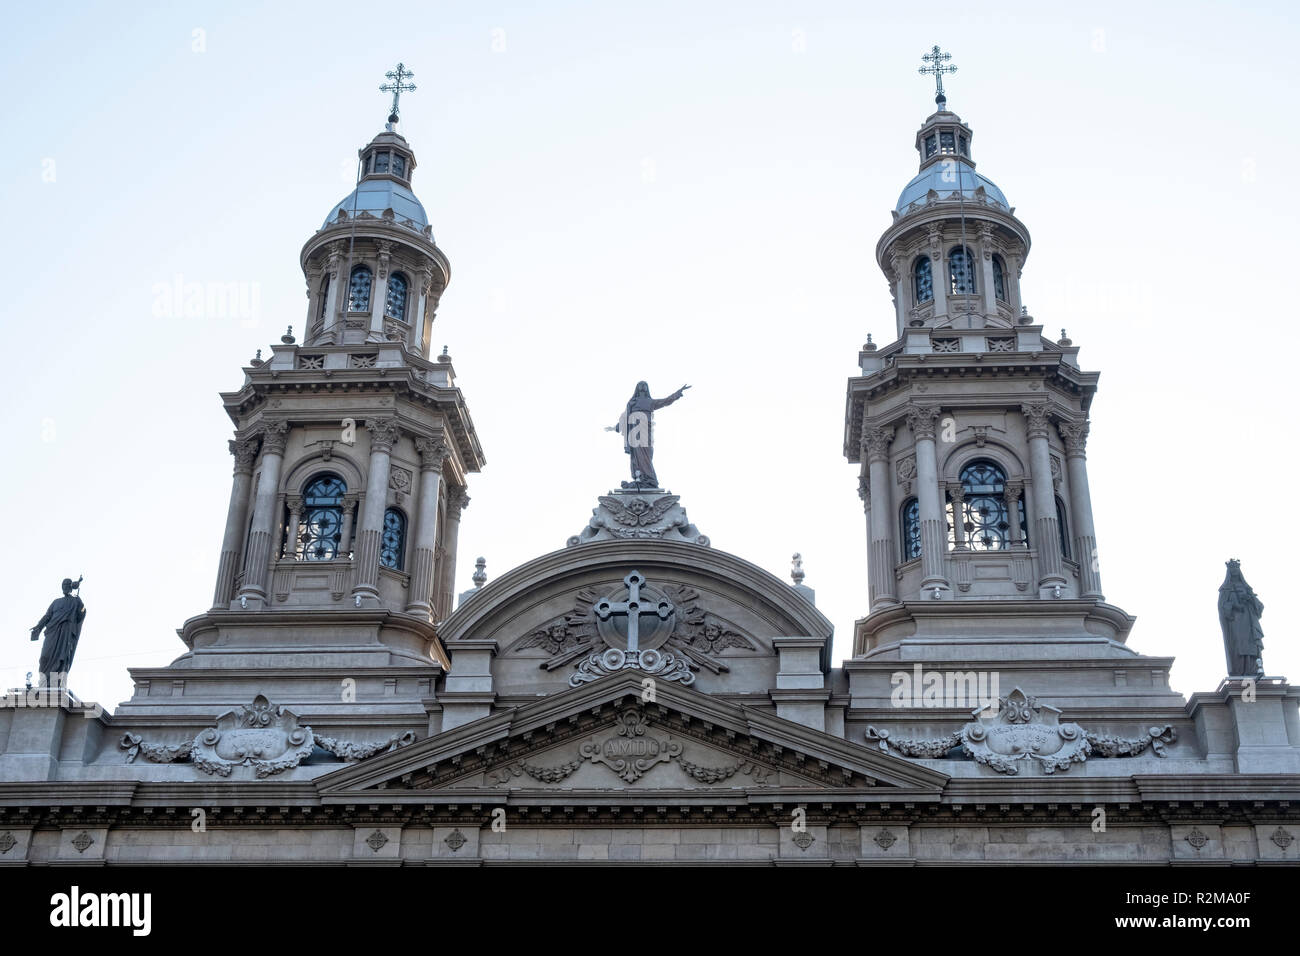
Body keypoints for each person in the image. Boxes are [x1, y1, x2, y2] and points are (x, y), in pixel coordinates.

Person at [608, 382, 689, 489]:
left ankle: (650, 479)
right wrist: (616, 427)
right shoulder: (632, 402)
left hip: (645, 431)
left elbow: (665, 401)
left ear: (647, 388)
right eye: (640, 384)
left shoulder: (650, 402)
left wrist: (678, 393)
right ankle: (641, 478)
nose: (642, 385)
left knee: (646, 455)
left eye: (644, 384)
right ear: (637, 388)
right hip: (634, 433)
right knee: (637, 456)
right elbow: (625, 417)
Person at [30, 577, 87, 688]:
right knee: (44, 657)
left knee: (61, 658)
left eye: (67, 585)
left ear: (71, 587)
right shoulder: (56, 602)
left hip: (65, 633)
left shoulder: (75, 601)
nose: (65, 587)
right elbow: (47, 616)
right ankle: (43, 683)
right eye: (63, 585)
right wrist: (38, 627)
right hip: (52, 632)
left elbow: (81, 614)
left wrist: (79, 602)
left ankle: (54, 685)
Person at [1218, 560, 1264, 677]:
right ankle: (1240, 670)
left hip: (1249, 621)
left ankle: (1253, 669)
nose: (1234, 571)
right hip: (1236, 621)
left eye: (1236, 568)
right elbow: (1222, 606)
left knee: (1251, 645)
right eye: (1232, 569)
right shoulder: (1226, 589)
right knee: (1239, 645)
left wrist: (1250, 599)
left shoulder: (1247, 588)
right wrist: (1233, 606)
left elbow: (1259, 606)